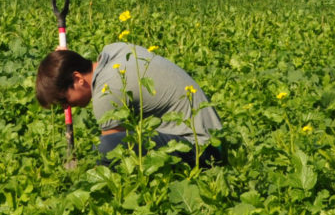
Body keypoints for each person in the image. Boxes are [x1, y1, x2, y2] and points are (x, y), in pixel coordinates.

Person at [35, 43, 224, 167]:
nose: (66, 107)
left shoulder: (106, 93)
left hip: (204, 152)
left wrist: (83, 171)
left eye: (64, 100)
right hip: (213, 135)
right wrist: (64, 62)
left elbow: (114, 154)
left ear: (78, 78)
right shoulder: (114, 51)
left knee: (105, 149)